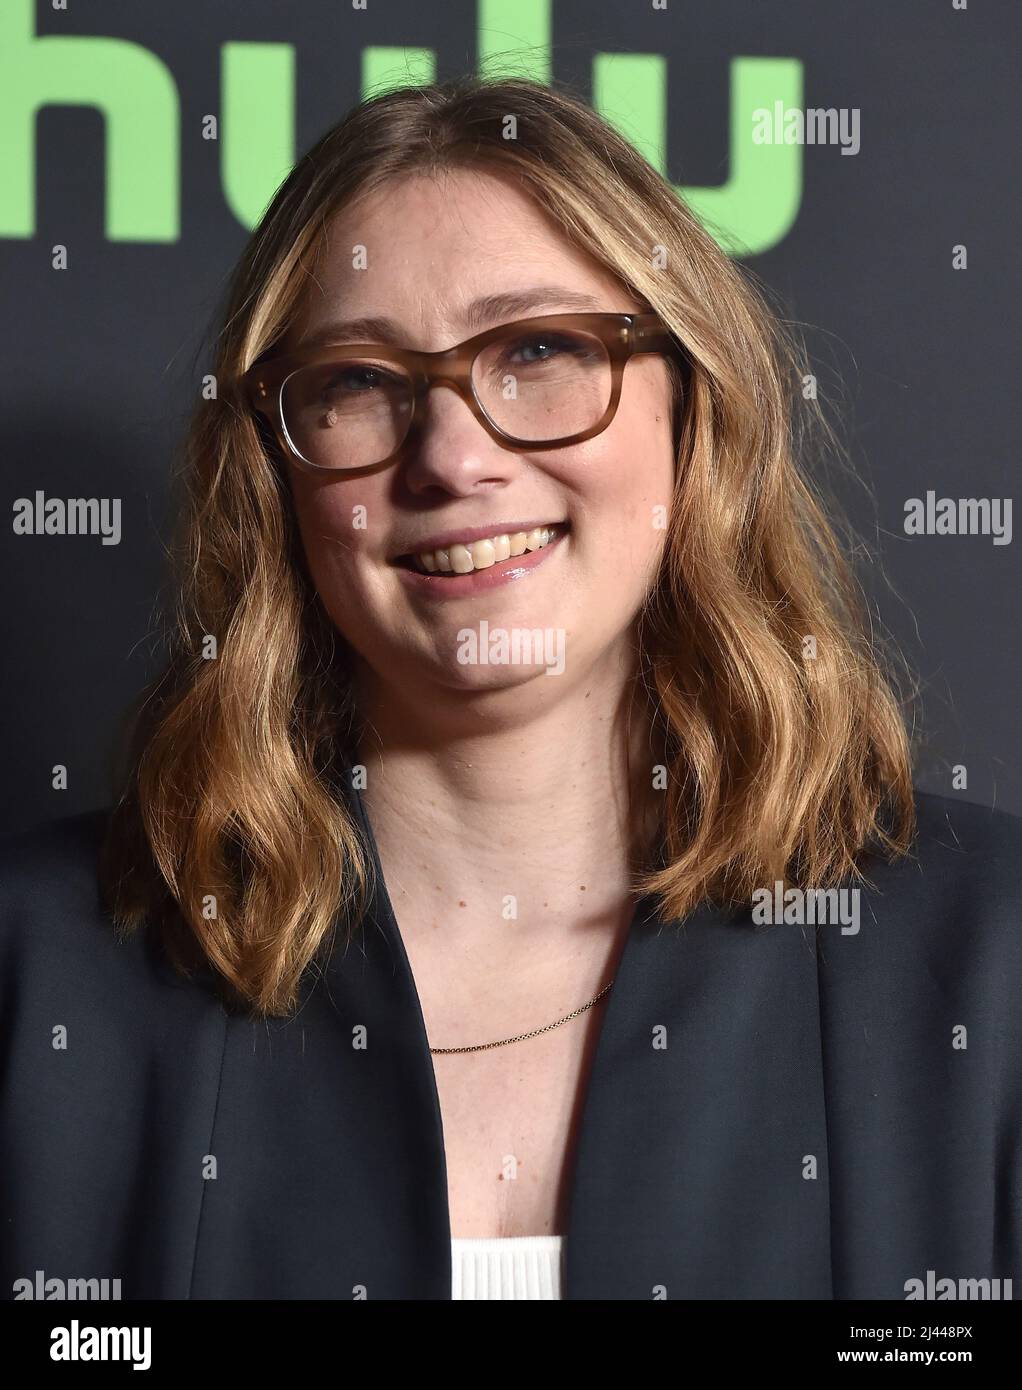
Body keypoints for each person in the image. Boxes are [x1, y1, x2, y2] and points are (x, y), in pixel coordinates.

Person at [2, 76, 1020, 1303]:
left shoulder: (989, 965)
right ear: (273, 475)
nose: (453, 457)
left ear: (693, 406)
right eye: (358, 381)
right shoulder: (41, 970)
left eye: (537, 350)